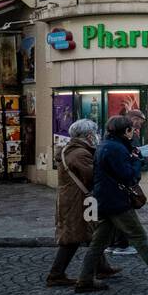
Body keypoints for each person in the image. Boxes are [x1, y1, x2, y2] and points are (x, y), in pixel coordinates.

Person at [76, 115, 148, 294]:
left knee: (99, 242)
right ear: (126, 131)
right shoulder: (116, 149)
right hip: (116, 200)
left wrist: (133, 157)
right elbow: (127, 175)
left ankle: (85, 279)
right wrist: (136, 163)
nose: (134, 132)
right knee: (139, 237)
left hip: (104, 199)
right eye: (131, 129)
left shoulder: (105, 145)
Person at [47, 120, 120, 286]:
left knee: (93, 233)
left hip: (80, 199)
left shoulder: (74, 150)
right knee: (73, 237)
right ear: (89, 136)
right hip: (78, 200)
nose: (97, 136)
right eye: (95, 133)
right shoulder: (80, 154)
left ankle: (102, 267)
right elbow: (93, 176)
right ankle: (56, 274)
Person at [110, 108, 148, 257]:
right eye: (140, 121)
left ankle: (112, 244)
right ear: (134, 119)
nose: (141, 125)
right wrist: (139, 161)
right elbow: (127, 166)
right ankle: (123, 245)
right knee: (126, 217)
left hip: (113, 186)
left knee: (114, 217)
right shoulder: (123, 140)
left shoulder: (111, 142)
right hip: (123, 185)